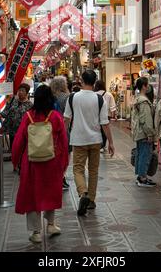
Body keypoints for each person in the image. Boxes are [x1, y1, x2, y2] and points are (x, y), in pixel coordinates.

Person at [12, 85, 69, 244]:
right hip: (52, 161)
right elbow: (64, 142)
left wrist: (16, 161)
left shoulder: (28, 117)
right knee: (51, 191)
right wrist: (64, 162)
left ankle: (36, 232)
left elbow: (18, 141)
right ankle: (51, 224)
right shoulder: (56, 117)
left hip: (31, 162)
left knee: (32, 194)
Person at [64, 70, 115, 216]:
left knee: (78, 169)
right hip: (96, 140)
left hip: (78, 140)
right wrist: (110, 142)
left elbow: (66, 119)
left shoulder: (73, 97)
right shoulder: (100, 100)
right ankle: (91, 200)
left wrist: (61, 136)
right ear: (94, 81)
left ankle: (83, 193)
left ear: (81, 80)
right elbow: (105, 123)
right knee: (93, 171)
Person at [131, 77, 156, 187]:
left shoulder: (138, 99)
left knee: (140, 154)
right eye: (147, 85)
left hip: (139, 132)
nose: (149, 87)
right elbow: (146, 119)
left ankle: (141, 176)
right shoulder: (144, 101)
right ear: (144, 86)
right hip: (144, 133)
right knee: (144, 155)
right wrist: (150, 133)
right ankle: (142, 178)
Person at [50, 76, 70, 189]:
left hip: (50, 129)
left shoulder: (50, 97)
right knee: (65, 153)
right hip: (64, 128)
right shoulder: (67, 97)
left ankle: (54, 176)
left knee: (53, 153)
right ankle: (61, 176)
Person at [1, 83, 33, 151]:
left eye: (23, 91)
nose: (20, 92)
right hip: (12, 129)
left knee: (22, 148)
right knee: (13, 147)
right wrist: (0, 115)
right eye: (19, 90)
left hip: (23, 131)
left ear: (26, 93)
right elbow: (6, 110)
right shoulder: (13, 101)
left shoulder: (30, 105)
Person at [94, 80, 117, 152]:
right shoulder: (109, 94)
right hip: (106, 115)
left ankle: (99, 144)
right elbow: (112, 106)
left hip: (96, 115)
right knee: (105, 129)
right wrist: (114, 115)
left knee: (98, 129)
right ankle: (103, 145)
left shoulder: (93, 94)